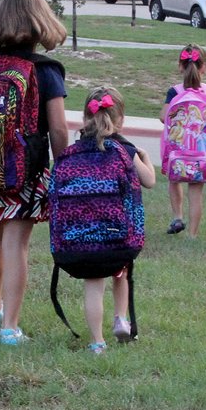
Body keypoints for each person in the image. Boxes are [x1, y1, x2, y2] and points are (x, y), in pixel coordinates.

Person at [0, 0, 68, 346]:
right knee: (16, 244)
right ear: (41, 23)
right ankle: (10, 326)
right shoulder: (46, 70)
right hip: (26, 169)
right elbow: (57, 127)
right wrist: (65, 167)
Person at [70, 86, 155, 353]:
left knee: (94, 285)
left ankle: (97, 342)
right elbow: (149, 181)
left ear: (86, 116)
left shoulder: (77, 149)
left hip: (84, 233)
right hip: (118, 232)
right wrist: (146, 158)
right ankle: (121, 319)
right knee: (122, 272)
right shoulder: (125, 150)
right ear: (120, 120)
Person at [161, 44, 206, 238]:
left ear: (180, 66)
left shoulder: (174, 91)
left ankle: (177, 216)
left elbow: (163, 116)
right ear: (204, 67)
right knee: (196, 190)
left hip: (177, 150)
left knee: (174, 180)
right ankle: (192, 234)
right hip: (201, 152)